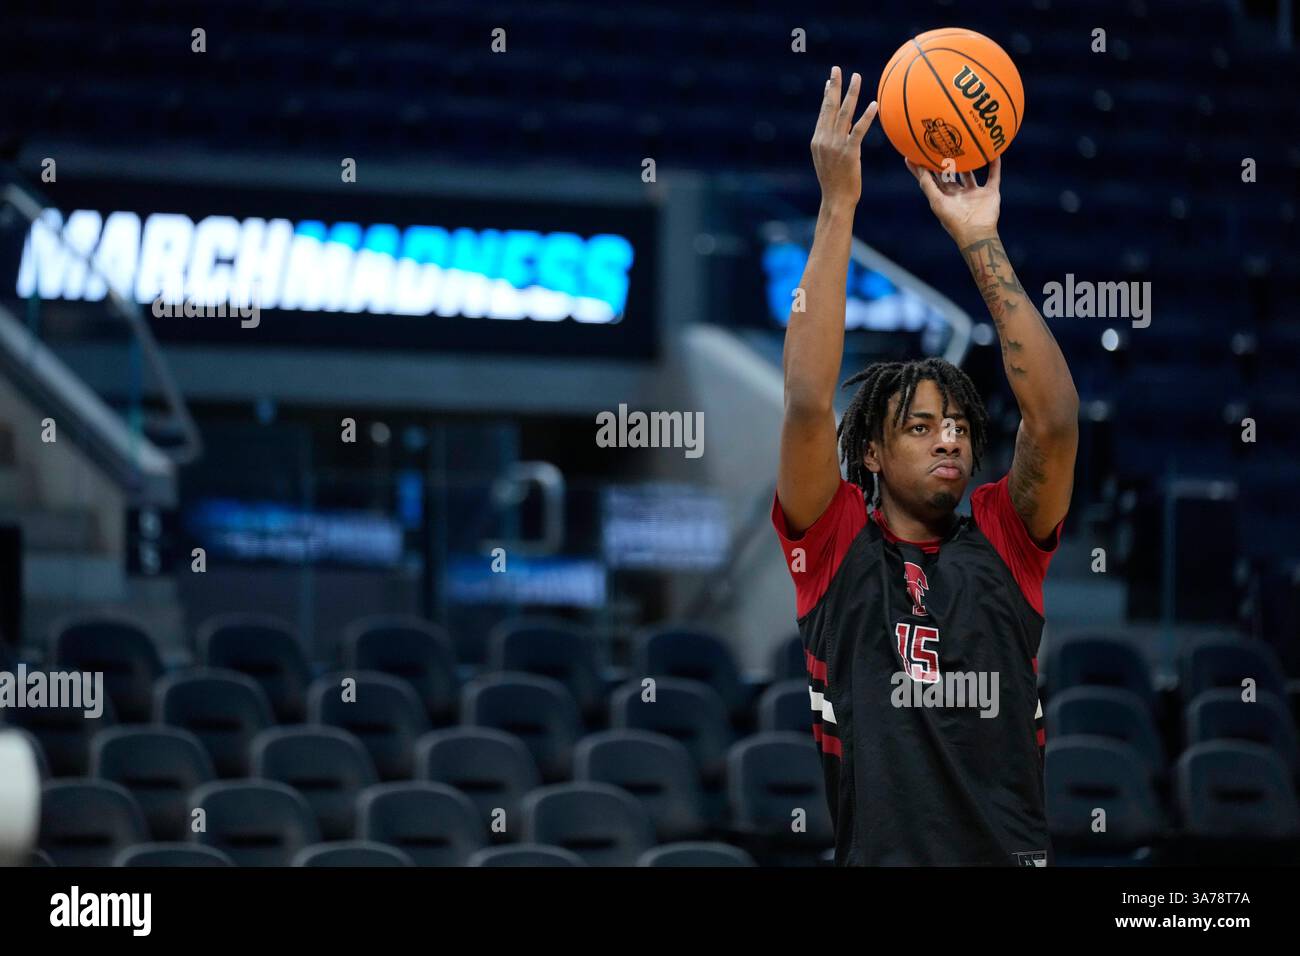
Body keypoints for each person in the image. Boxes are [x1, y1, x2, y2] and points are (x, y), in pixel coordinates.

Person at [773, 66, 1079, 865]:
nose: (948, 439)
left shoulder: (1005, 540)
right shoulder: (836, 545)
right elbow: (809, 401)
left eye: (957, 426)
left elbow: (1054, 419)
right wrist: (838, 205)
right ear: (871, 451)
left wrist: (979, 239)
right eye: (919, 427)